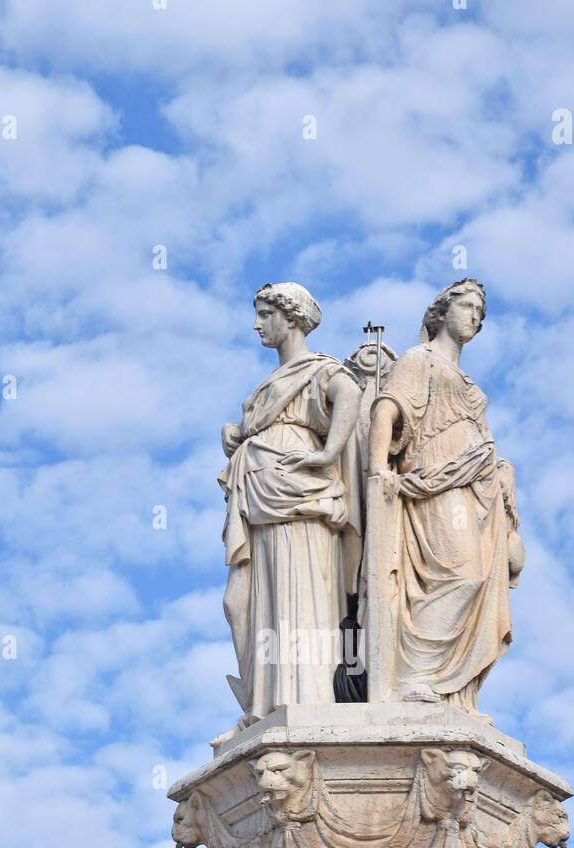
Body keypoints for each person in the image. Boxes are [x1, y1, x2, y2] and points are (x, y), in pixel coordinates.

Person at [367, 278, 522, 714]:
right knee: (461, 574)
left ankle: (451, 688)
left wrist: (504, 472)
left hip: (481, 489)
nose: (475, 315)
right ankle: (415, 675)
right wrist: (379, 469)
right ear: (442, 311)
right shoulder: (421, 360)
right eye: (467, 306)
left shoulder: (467, 380)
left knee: (477, 576)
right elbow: (388, 407)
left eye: (481, 311)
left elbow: (483, 435)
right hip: (436, 476)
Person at [218, 282, 361, 729]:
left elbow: (350, 396)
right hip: (260, 497)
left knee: (300, 589)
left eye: (265, 313)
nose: (257, 323)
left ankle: (306, 697)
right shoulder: (270, 384)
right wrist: (238, 435)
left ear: (292, 317)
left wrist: (326, 453)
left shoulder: (319, 369)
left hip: (299, 494)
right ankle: (265, 700)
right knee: (246, 600)